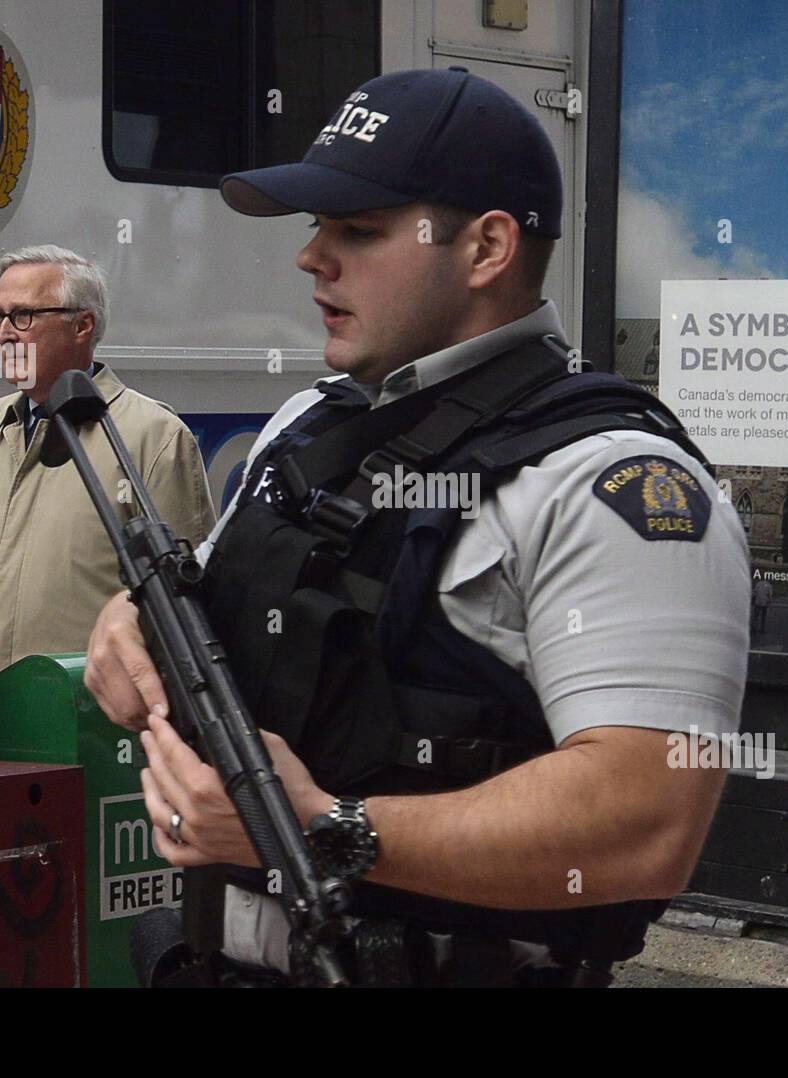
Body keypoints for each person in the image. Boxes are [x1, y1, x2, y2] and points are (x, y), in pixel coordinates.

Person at [85, 69, 750, 986]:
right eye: (316, 228)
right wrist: (130, 622)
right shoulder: (310, 424)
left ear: (485, 248)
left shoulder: (612, 482)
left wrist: (330, 829)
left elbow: (646, 821)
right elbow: (215, 587)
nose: (312, 258)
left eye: (358, 231)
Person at [0, 245, 214, 714]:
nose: (5, 335)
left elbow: (181, 602)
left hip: (77, 727)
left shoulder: (151, 436)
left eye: (23, 316)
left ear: (83, 325)